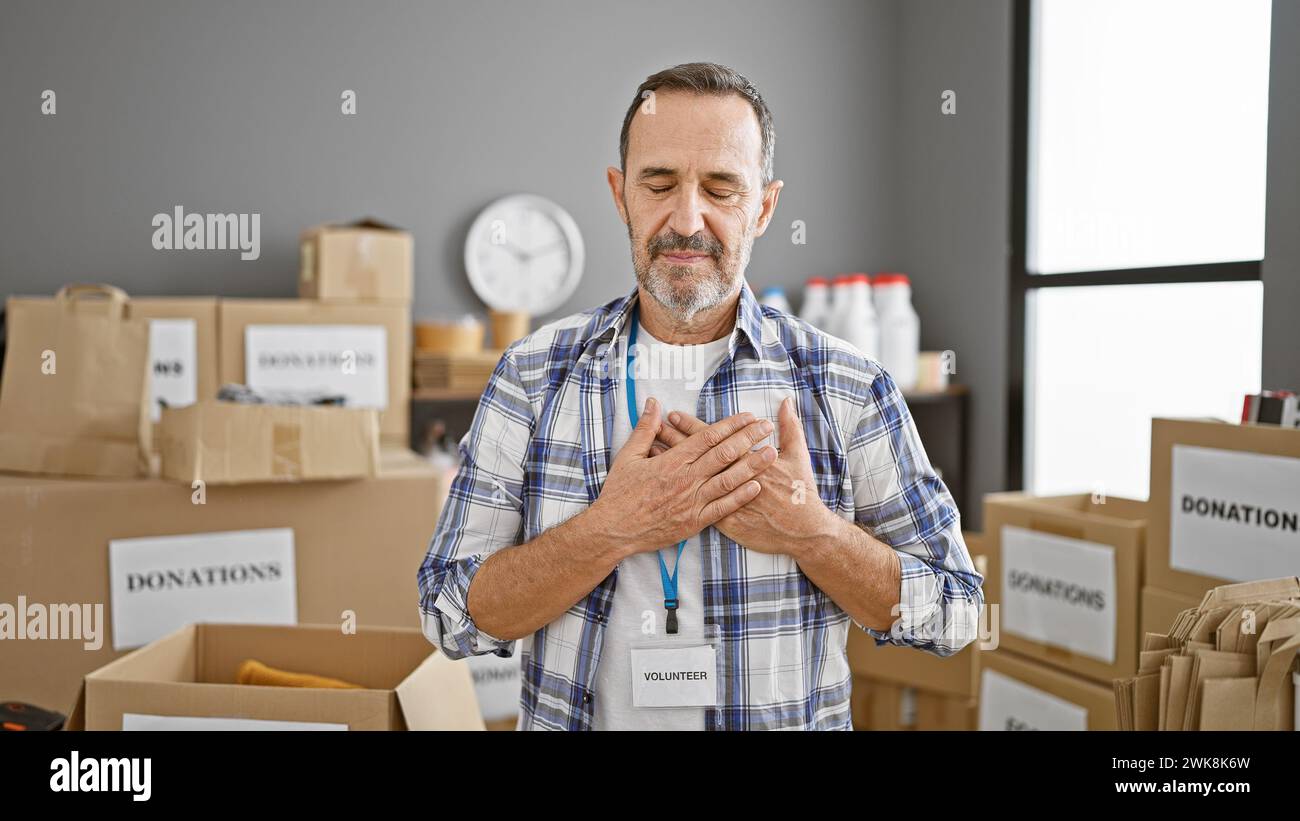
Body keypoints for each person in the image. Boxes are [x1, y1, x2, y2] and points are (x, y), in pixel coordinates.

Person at [418, 62, 983, 730]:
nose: (687, 219)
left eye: (721, 188)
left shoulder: (848, 385)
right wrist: (611, 528)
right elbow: (449, 612)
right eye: (659, 183)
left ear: (764, 207)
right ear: (620, 193)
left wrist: (815, 534)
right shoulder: (532, 375)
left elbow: (954, 612)